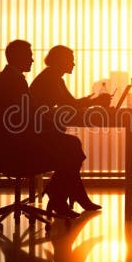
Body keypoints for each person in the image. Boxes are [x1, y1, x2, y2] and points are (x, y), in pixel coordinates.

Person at [0, 40, 91, 218]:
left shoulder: (0, 77)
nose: (33, 60)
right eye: (29, 55)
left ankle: (59, 194)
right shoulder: (15, 81)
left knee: (70, 146)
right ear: (18, 57)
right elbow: (29, 114)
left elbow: (26, 112)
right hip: (18, 146)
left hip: (4, 143)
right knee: (72, 146)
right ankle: (57, 195)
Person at [30, 45, 111, 211]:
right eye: (71, 60)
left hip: (41, 130)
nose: (73, 64)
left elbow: (69, 102)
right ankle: (64, 195)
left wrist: (91, 101)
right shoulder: (51, 78)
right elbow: (69, 104)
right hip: (38, 135)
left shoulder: (53, 77)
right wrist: (94, 102)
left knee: (72, 149)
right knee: (72, 148)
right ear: (61, 61)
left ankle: (62, 195)